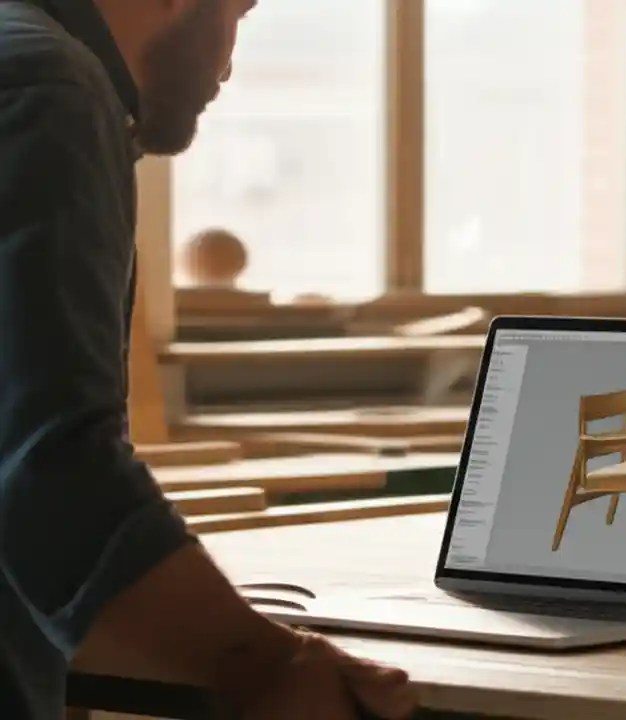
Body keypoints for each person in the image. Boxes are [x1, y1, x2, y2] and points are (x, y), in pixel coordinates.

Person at [0, 1, 415, 717]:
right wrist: (269, 662)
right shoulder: (49, 85)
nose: (227, 62)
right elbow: (48, 473)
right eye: (238, 11)